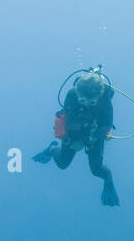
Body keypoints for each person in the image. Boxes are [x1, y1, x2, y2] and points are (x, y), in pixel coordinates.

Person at [32, 70, 120, 206]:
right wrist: (71, 141)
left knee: (96, 169)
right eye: (82, 100)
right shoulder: (72, 94)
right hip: (74, 131)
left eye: (90, 102)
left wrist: (90, 139)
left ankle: (109, 182)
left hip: (95, 133)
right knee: (62, 163)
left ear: (99, 96)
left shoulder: (105, 100)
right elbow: (68, 119)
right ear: (78, 93)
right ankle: (52, 148)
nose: (84, 104)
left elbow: (106, 124)